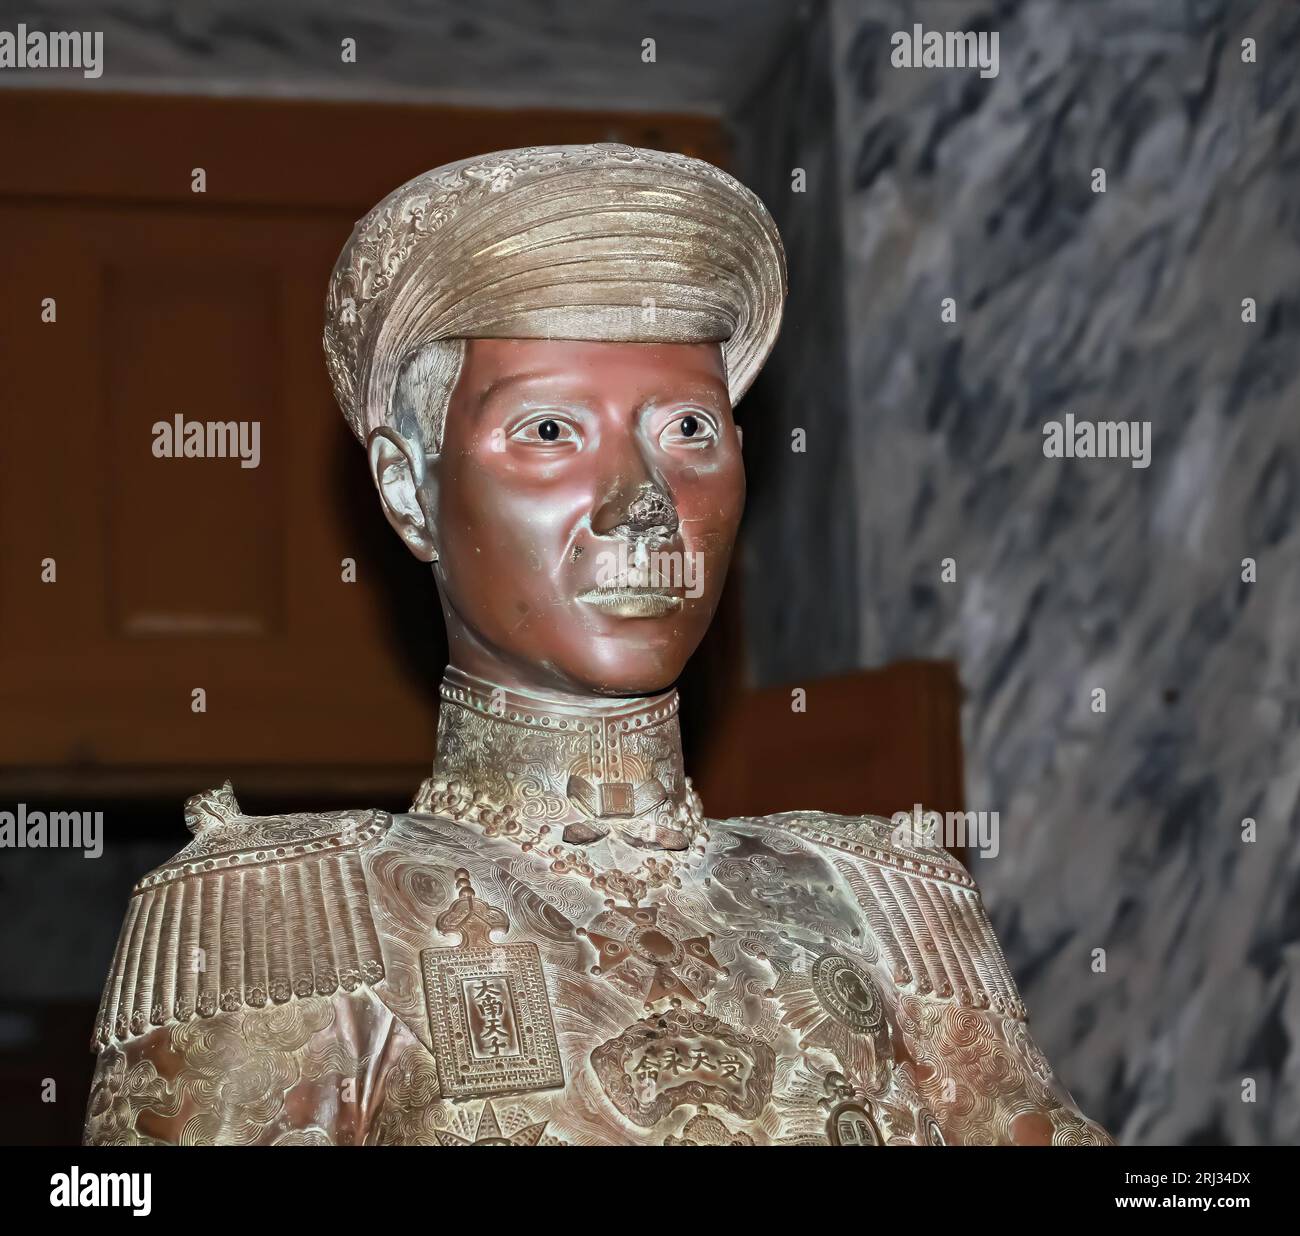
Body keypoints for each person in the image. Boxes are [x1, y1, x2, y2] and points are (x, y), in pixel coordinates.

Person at [84, 144, 1109, 1146]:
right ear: (409, 494)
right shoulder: (290, 923)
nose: (641, 503)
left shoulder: (883, 906)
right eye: (548, 434)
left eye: (689, 433)